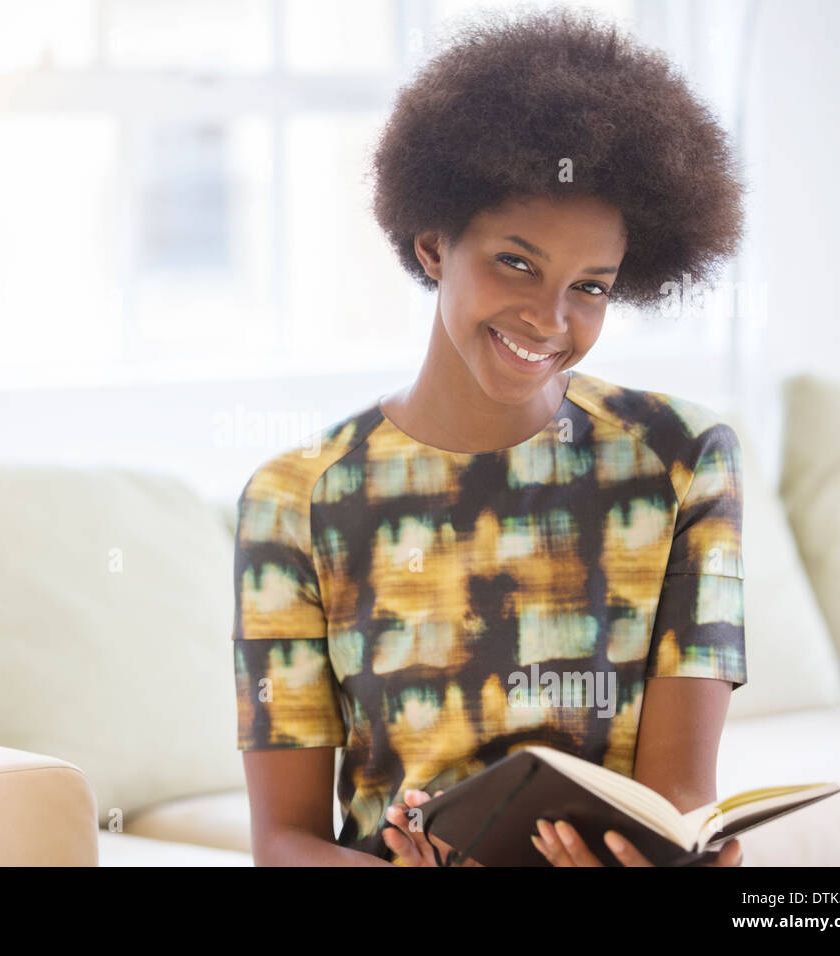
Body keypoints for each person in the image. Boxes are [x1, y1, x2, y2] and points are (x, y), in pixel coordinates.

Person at [232, 6, 748, 867]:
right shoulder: (296, 501)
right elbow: (284, 842)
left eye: (591, 286)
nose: (550, 319)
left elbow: (681, 800)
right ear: (434, 245)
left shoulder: (682, 461)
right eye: (517, 262)